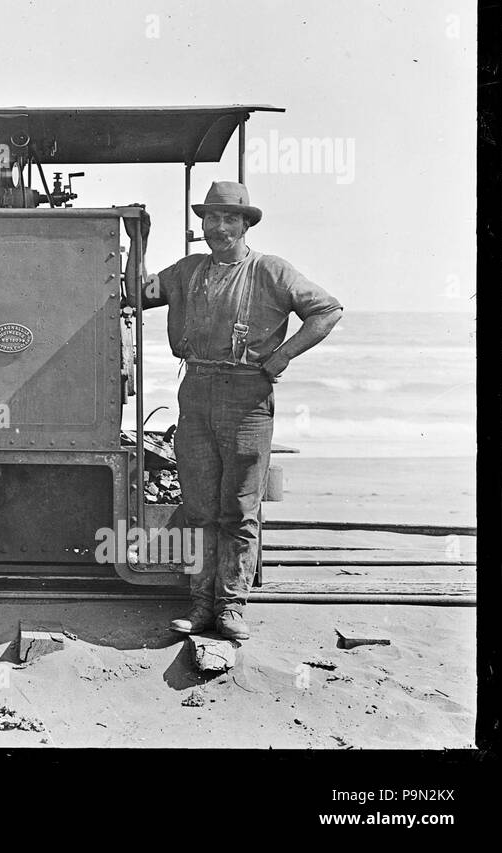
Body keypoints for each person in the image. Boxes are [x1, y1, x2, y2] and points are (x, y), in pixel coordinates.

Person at [127, 181, 342, 641]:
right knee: (200, 507)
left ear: (246, 224)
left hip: (248, 399)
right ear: (202, 225)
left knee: (240, 510)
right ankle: (202, 606)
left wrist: (282, 356)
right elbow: (135, 294)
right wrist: (137, 242)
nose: (218, 227)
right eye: (210, 218)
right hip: (197, 391)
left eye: (229, 219)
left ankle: (231, 607)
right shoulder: (188, 270)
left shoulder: (270, 271)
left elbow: (327, 310)